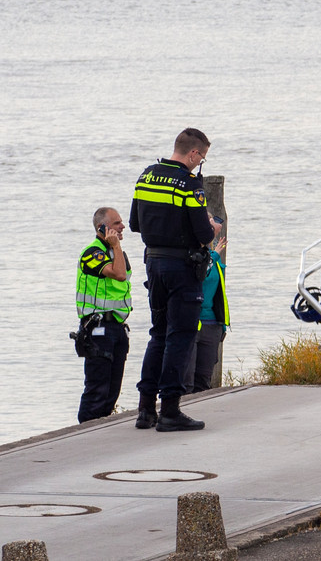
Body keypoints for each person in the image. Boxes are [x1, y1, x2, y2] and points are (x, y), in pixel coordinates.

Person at [131, 127, 223, 432]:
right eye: (202, 159)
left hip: (153, 263)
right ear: (194, 153)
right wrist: (212, 228)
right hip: (182, 267)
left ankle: (146, 410)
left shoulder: (146, 176)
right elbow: (204, 233)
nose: (200, 165)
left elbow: (134, 223)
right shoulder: (188, 184)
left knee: (158, 333)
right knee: (180, 336)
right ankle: (170, 409)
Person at [75, 207, 132, 423]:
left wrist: (116, 248)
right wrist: (116, 246)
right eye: (117, 223)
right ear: (103, 228)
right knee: (97, 389)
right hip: (98, 328)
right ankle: (85, 432)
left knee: (112, 391)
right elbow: (118, 275)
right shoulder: (92, 253)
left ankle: (103, 429)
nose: (122, 226)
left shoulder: (117, 253)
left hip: (116, 327)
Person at [183, 227, 229, 394]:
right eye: (208, 226)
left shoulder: (212, 255)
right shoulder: (188, 252)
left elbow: (220, 293)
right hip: (192, 321)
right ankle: (178, 414)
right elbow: (199, 276)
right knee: (186, 379)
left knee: (203, 379)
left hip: (212, 323)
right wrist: (214, 256)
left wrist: (223, 325)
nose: (214, 229)